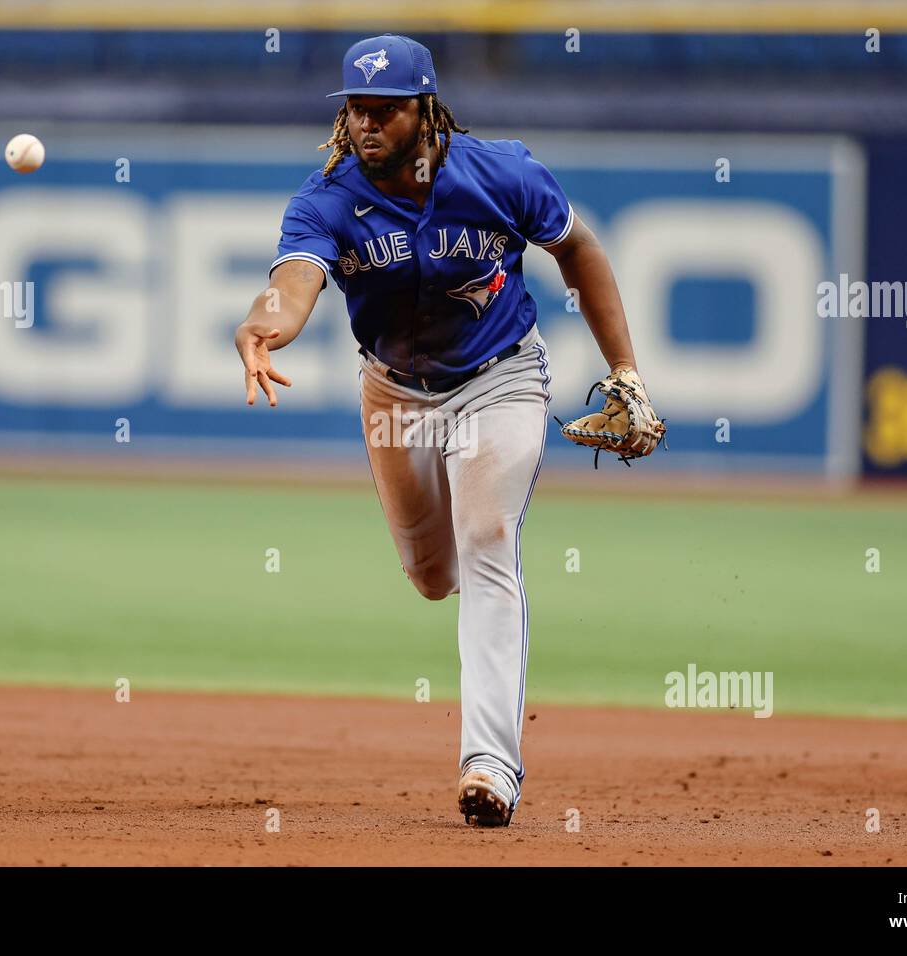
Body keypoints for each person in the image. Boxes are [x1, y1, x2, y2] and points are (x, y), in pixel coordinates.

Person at [236, 34, 653, 827]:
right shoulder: (327, 197)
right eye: (356, 108)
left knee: (489, 539)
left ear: (424, 110)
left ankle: (490, 767)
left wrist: (625, 370)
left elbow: (579, 250)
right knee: (432, 575)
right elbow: (291, 284)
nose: (367, 124)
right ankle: (456, 577)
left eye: (385, 110)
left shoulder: (501, 172)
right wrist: (263, 325)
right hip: (394, 396)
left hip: (501, 377)